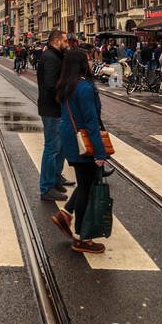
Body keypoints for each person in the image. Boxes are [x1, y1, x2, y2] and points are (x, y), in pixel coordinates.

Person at [51, 47, 109, 254]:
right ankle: (84, 238)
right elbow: (91, 122)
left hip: (71, 141)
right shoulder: (84, 88)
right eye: (89, 59)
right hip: (84, 144)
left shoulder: (67, 85)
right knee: (87, 187)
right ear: (82, 64)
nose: (92, 63)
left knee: (85, 182)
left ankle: (65, 214)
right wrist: (100, 153)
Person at [36, 30, 71, 202]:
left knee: (60, 147)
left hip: (56, 108)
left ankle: (55, 179)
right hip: (52, 109)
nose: (67, 44)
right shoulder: (50, 58)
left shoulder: (55, 56)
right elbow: (51, 85)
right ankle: (46, 187)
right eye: (65, 41)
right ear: (57, 41)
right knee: (52, 148)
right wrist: (65, 95)